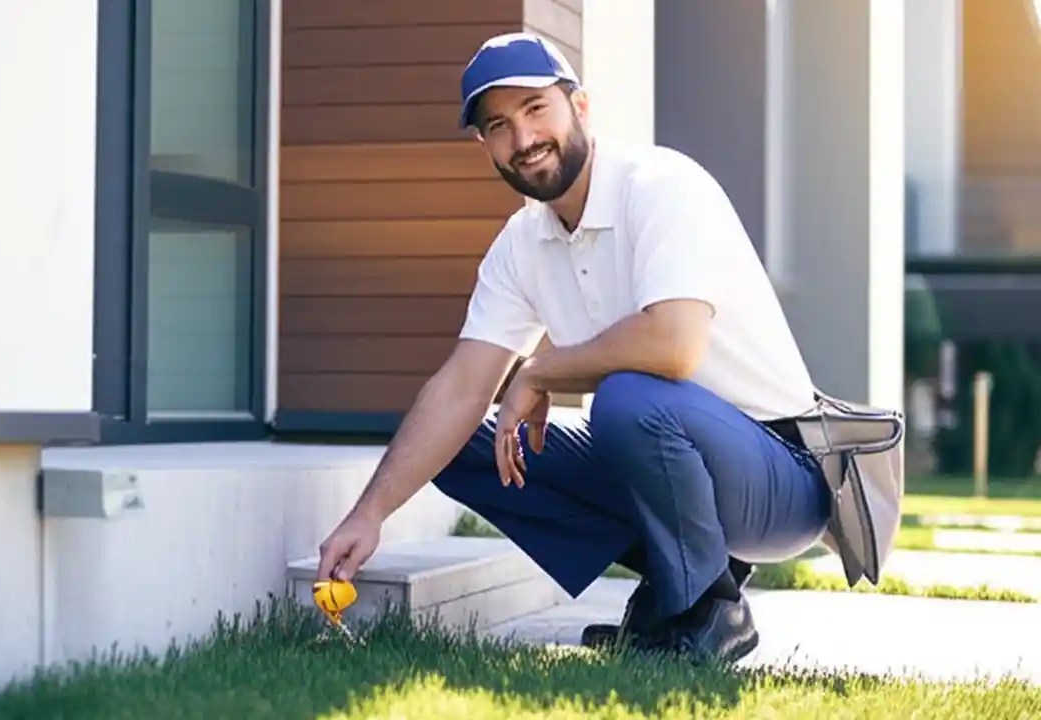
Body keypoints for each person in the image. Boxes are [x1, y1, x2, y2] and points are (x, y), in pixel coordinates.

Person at [314, 31, 831, 664]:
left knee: (627, 397)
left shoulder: (661, 186)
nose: (523, 139)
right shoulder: (521, 243)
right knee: (465, 444)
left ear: (579, 108)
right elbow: (459, 387)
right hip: (671, 452)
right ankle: (675, 589)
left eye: (537, 110)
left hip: (780, 471)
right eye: (498, 126)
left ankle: (708, 611)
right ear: (485, 146)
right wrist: (370, 514)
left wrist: (542, 369)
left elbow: (674, 346)